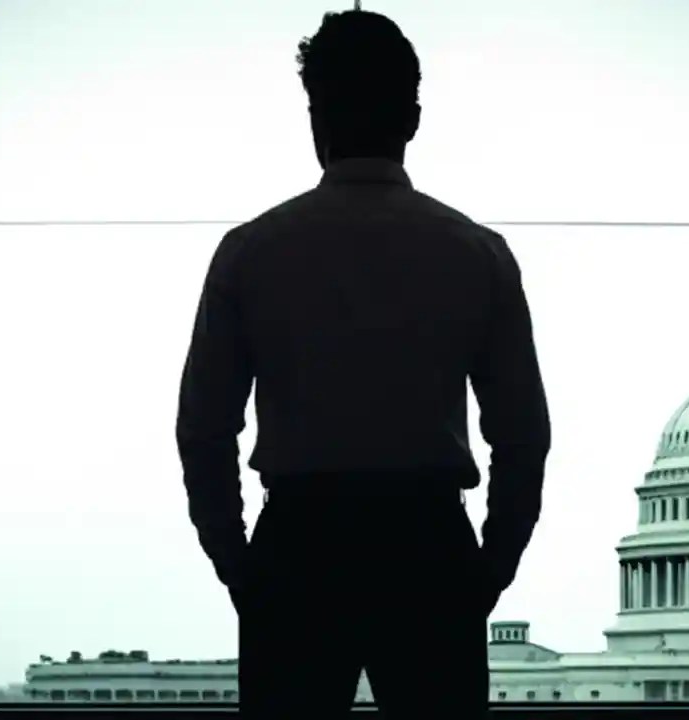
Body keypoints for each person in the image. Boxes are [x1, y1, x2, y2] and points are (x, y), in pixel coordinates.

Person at [176, 9, 551, 719]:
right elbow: (522, 434)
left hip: (298, 546)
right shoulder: (477, 252)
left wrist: (239, 566)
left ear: (315, 118)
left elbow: (203, 428)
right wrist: (489, 567)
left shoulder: (250, 252)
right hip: (426, 545)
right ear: (412, 118)